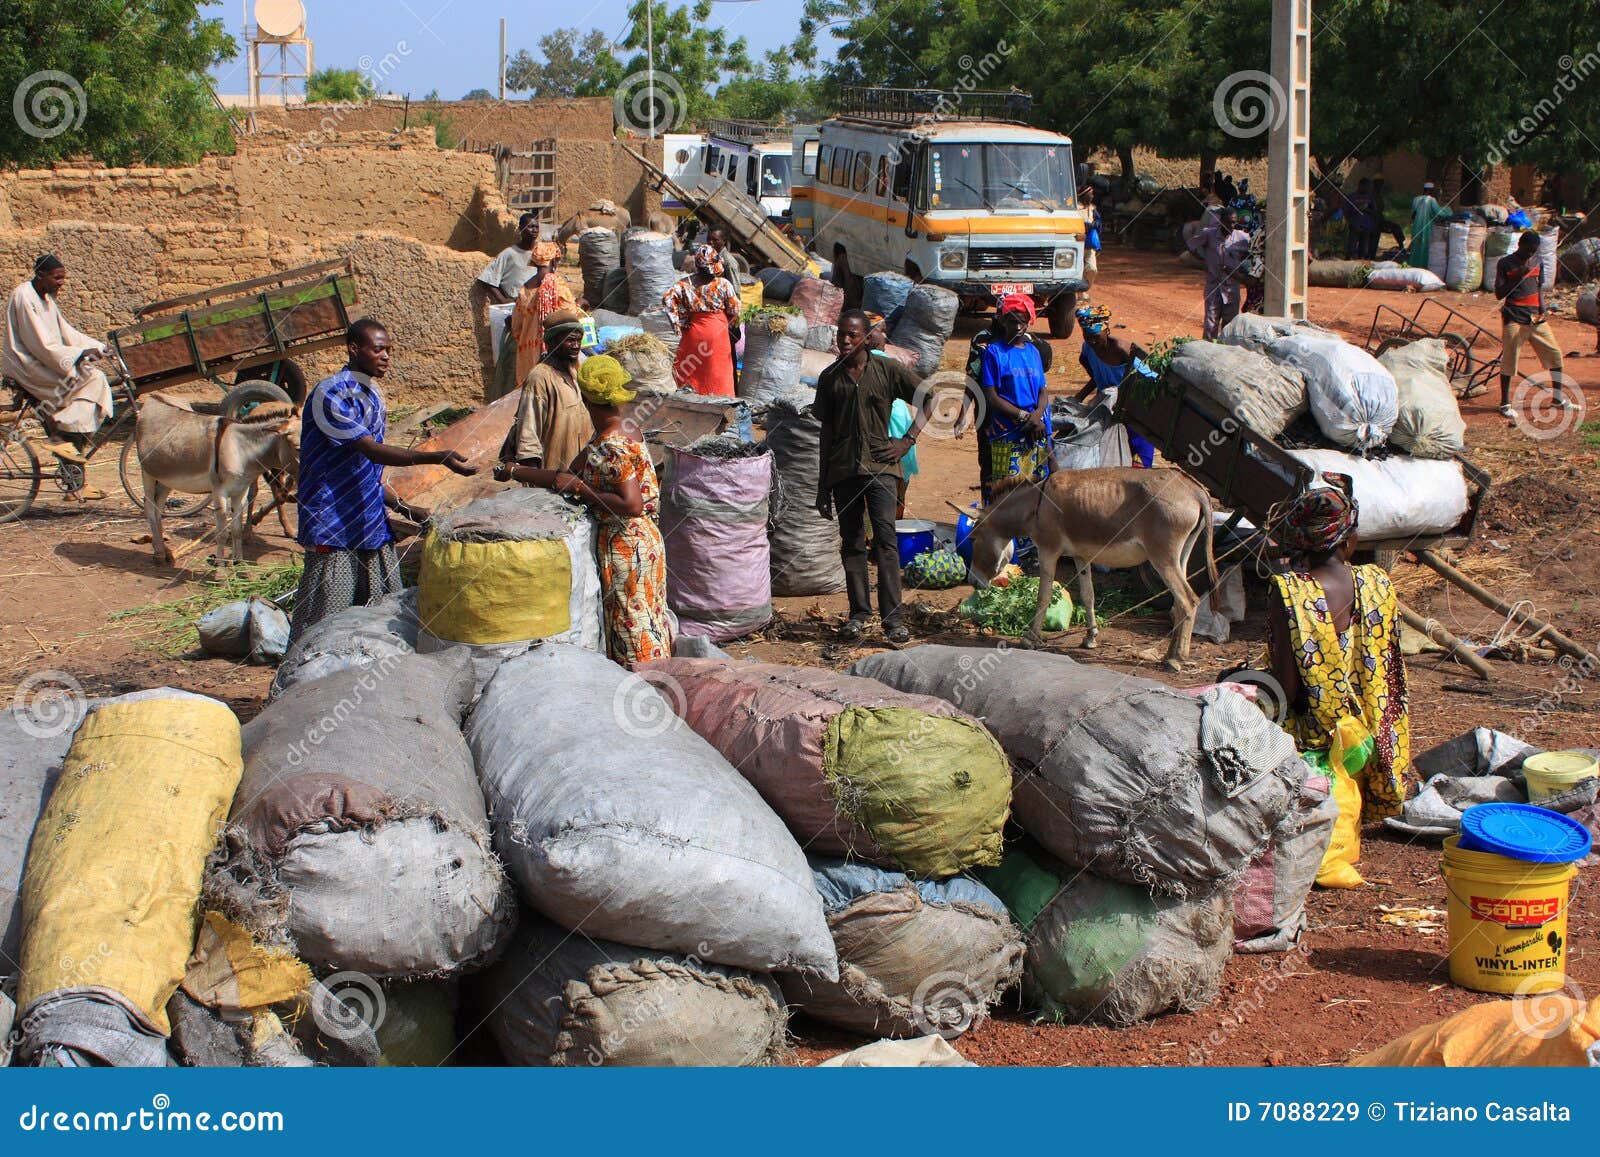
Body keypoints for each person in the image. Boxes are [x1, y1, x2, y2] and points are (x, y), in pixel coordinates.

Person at [288, 319, 477, 645]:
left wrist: (404, 507)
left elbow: (364, 472)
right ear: (353, 349)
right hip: (333, 523)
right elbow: (371, 451)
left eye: (389, 350)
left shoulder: (371, 398)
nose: (386, 356)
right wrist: (434, 457)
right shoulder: (331, 394)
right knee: (327, 617)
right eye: (378, 349)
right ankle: (310, 674)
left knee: (377, 614)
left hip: (369, 523)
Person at [494, 355, 671, 667]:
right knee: (647, 620)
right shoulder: (625, 430)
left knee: (634, 629)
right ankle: (656, 689)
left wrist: (582, 491)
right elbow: (567, 473)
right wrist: (513, 471)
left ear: (586, 398)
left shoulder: (610, 445)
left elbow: (631, 504)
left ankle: (647, 693)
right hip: (646, 542)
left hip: (627, 547)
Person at [1264, 477, 1410, 843]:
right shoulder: (1378, 583)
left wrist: (1245, 686)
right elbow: (1389, 671)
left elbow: (1286, 691)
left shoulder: (1290, 592)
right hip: (1370, 738)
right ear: (1349, 541)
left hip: (1314, 743)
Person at [815, 310, 929, 645]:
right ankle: (858, 614)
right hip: (844, 470)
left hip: (882, 468)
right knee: (852, 544)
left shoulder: (887, 369)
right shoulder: (829, 378)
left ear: (866, 337)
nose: (846, 341)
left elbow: (929, 397)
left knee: (885, 543)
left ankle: (893, 621)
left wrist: (906, 442)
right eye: (841, 335)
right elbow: (826, 433)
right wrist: (823, 485)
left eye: (852, 335)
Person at [3, 255, 114, 474]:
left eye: (63, 278)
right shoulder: (24, 296)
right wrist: (79, 354)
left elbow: (66, 332)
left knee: (93, 378)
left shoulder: (46, 299)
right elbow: (41, 344)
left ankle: (66, 437)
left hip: (44, 361)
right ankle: (62, 432)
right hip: (27, 365)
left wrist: (99, 347)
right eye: (57, 278)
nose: (61, 282)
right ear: (41, 275)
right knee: (91, 378)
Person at [953, 303, 1053, 501]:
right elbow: (973, 380)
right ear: (1001, 317)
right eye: (1010, 318)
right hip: (994, 417)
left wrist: (1036, 417)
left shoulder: (1030, 345)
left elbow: (1041, 387)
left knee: (1035, 475)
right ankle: (990, 517)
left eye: (1022, 321)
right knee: (992, 469)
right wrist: (962, 413)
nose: (1017, 326)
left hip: (1034, 422)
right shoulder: (985, 343)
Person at [1494, 230, 1578, 419]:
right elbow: (1499, 293)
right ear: (1520, 246)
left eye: (1534, 251)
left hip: (1535, 318)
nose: (1530, 254)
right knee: (1510, 358)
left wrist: (1542, 308)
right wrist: (1517, 276)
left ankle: (1557, 399)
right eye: (1528, 250)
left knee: (1555, 354)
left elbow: (1539, 287)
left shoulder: (1537, 262)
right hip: (1514, 316)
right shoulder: (1505, 263)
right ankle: (1505, 404)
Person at [506, 305, 593, 474]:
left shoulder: (575, 372)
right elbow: (528, 430)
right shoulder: (540, 377)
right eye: (569, 340)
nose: (576, 346)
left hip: (580, 472)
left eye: (578, 340)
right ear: (551, 342)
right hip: (553, 473)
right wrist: (533, 476)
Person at [1073, 305, 1157, 468]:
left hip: (1133, 407)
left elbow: (1149, 377)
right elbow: (1096, 376)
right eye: (1087, 336)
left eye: (1095, 336)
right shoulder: (1088, 349)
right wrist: (1080, 396)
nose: (1092, 341)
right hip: (1107, 405)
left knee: (1139, 460)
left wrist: (1124, 398)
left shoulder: (1121, 349)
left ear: (1106, 330)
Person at [662, 244, 741, 396]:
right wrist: (727, 323)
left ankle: (687, 402)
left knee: (689, 370)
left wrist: (680, 323)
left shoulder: (684, 284)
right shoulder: (723, 284)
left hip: (693, 333)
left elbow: (667, 300)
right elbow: (735, 309)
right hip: (717, 334)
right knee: (718, 372)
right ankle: (720, 404)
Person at [866, 313, 918, 518]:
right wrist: (909, 439)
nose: (885, 337)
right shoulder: (881, 363)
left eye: (884, 331)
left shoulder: (883, 363)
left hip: (894, 428)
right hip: (897, 430)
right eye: (881, 330)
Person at [1185, 207, 1251, 339]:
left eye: (1234, 222)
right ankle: (1208, 351)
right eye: (1228, 222)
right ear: (1221, 222)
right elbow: (1192, 245)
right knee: (1211, 324)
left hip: (1232, 289)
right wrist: (1204, 260)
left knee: (1229, 326)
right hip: (1213, 286)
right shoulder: (1209, 234)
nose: (1231, 226)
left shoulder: (1242, 238)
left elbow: (1251, 256)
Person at [476, 212, 543, 304]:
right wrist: (503, 300)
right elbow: (488, 279)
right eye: (530, 226)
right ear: (520, 229)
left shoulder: (542, 253)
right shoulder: (509, 253)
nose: (534, 230)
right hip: (515, 305)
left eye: (536, 227)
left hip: (536, 305)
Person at [1408, 182, 1451, 268]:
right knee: (1425, 246)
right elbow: (1439, 213)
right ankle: (1423, 266)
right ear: (1431, 190)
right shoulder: (1431, 200)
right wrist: (1448, 210)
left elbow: (1413, 215)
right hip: (1427, 228)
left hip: (1416, 227)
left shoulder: (1416, 199)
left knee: (1416, 245)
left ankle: (1413, 265)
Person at [1345, 178, 1377, 260]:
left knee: (1363, 249)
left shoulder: (1370, 198)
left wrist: (1366, 209)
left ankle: (1362, 263)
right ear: (1360, 186)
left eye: (1369, 187)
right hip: (1354, 225)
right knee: (1351, 247)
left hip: (1366, 226)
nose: (1368, 189)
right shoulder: (1352, 197)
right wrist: (1350, 222)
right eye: (1366, 186)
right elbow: (1346, 212)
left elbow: (1375, 212)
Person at [1080, 184, 1102, 293]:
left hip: (1089, 245)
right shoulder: (1074, 209)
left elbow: (1099, 224)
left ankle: (1085, 290)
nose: (1092, 196)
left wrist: (1094, 224)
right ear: (1084, 195)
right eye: (1090, 194)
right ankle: (1079, 295)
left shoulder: (1093, 209)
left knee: (1092, 269)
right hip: (1076, 244)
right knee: (1077, 272)